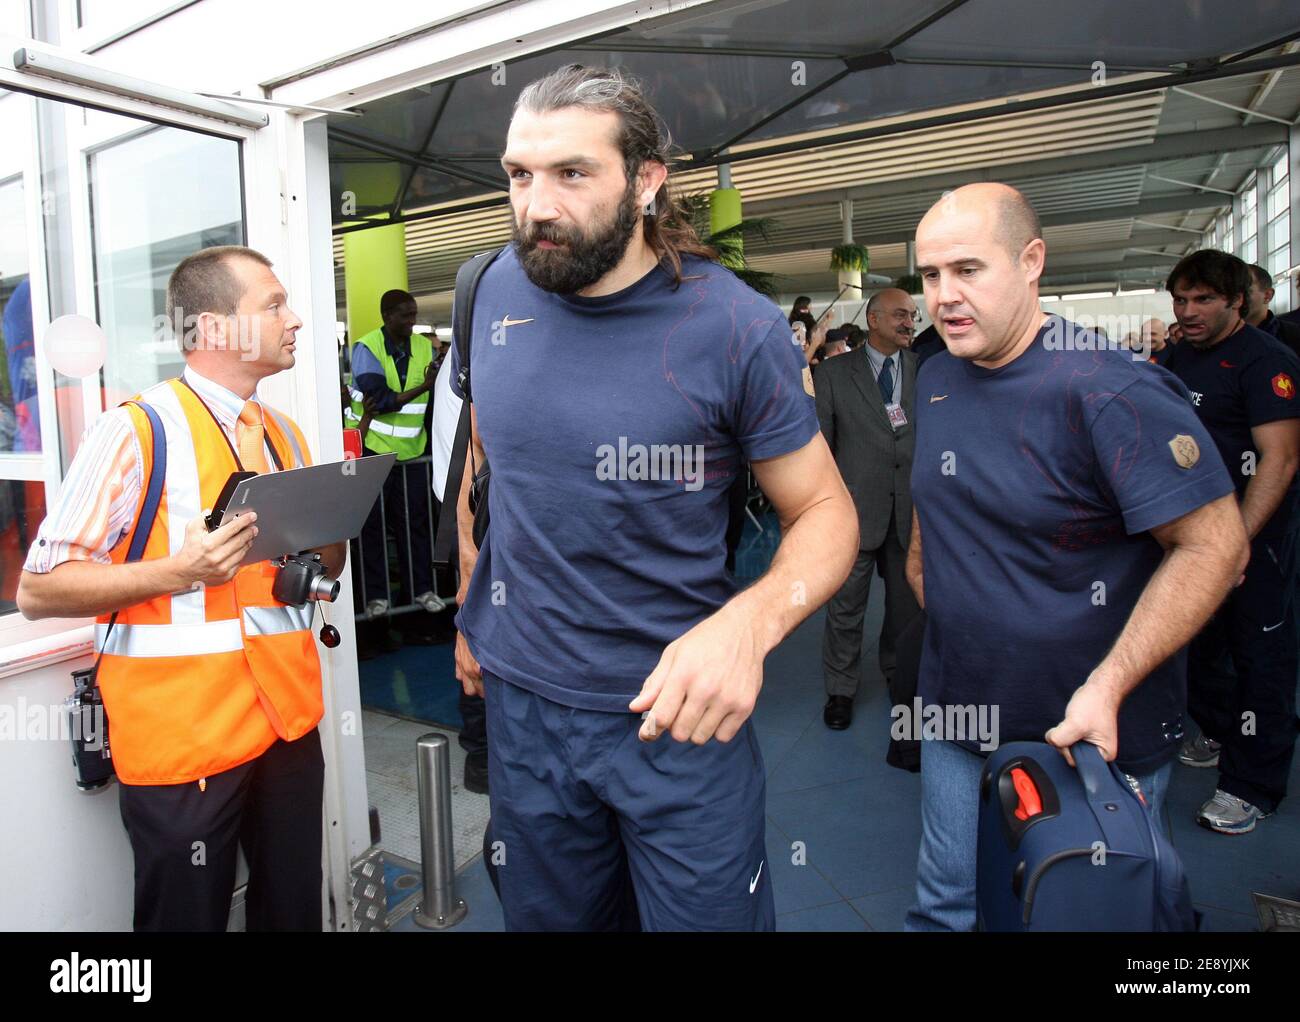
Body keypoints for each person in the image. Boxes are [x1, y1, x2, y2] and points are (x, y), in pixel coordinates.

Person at [449, 64, 857, 931]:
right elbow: (486, 461)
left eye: (572, 173)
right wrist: (471, 599)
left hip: (675, 716)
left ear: (646, 181)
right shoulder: (485, 290)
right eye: (520, 175)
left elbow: (827, 514)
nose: (538, 205)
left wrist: (749, 626)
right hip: (523, 710)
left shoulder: (732, 325)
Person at [904, 184, 1247, 931]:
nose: (945, 296)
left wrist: (1110, 682)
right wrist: (928, 573)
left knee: (1091, 917)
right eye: (930, 276)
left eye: (968, 269)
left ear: (1032, 262)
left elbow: (1216, 546)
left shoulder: (1112, 389)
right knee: (946, 909)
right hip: (959, 706)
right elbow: (937, 498)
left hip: (1090, 726)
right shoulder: (933, 376)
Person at [17, 245, 346, 931]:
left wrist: (336, 524)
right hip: (183, 744)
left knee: (292, 912)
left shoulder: (282, 434)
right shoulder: (135, 432)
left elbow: (322, 572)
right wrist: (180, 571)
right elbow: (39, 592)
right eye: (274, 305)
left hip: (285, 728)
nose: (296, 321)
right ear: (217, 328)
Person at [1164, 249, 1300, 834]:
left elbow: (1281, 457)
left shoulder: (1266, 361)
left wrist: (1236, 543)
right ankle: (1222, 730)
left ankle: (1252, 786)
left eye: (1203, 300)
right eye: (1181, 299)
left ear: (1236, 301)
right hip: (1189, 536)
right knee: (1190, 647)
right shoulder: (1175, 357)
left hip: (1253, 541)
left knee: (1259, 662)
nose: (1189, 311)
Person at [815, 288, 920, 730]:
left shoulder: (924, 371)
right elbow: (819, 449)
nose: (908, 323)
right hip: (853, 514)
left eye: (912, 316)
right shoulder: (835, 374)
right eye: (899, 315)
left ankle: (900, 679)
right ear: (873, 319)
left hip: (910, 513)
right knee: (846, 607)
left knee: (906, 607)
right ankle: (841, 690)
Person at [347, 289, 444, 620]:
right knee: (373, 526)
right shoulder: (366, 348)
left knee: (415, 526)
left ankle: (422, 589)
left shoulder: (423, 347)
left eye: (414, 314)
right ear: (387, 316)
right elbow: (380, 400)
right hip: (373, 450)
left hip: (412, 453)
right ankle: (376, 596)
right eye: (405, 315)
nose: (412, 321)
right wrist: (424, 387)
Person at [1245, 263, 1300, 359]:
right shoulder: (1217, 337)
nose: (1236, 298)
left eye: (1245, 291)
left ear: (1267, 295)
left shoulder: (1292, 335)